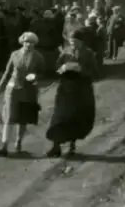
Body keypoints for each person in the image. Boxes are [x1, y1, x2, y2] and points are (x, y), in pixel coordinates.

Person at [46, 28, 98, 157]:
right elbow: (56, 67)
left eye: (75, 41)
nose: (73, 44)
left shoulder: (88, 53)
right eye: (71, 41)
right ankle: (56, 146)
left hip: (81, 90)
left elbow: (96, 72)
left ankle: (72, 146)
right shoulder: (66, 52)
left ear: (81, 42)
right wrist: (62, 68)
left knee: (75, 118)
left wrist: (81, 70)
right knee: (59, 117)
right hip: (65, 89)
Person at [0, 31, 46, 156]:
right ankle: (4, 146)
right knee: (9, 117)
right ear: (22, 42)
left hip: (28, 90)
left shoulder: (38, 57)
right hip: (13, 88)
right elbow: (7, 72)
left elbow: (43, 72)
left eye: (32, 42)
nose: (29, 44)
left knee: (23, 118)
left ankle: (18, 142)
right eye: (27, 42)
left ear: (35, 44)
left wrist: (35, 77)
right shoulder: (14, 54)